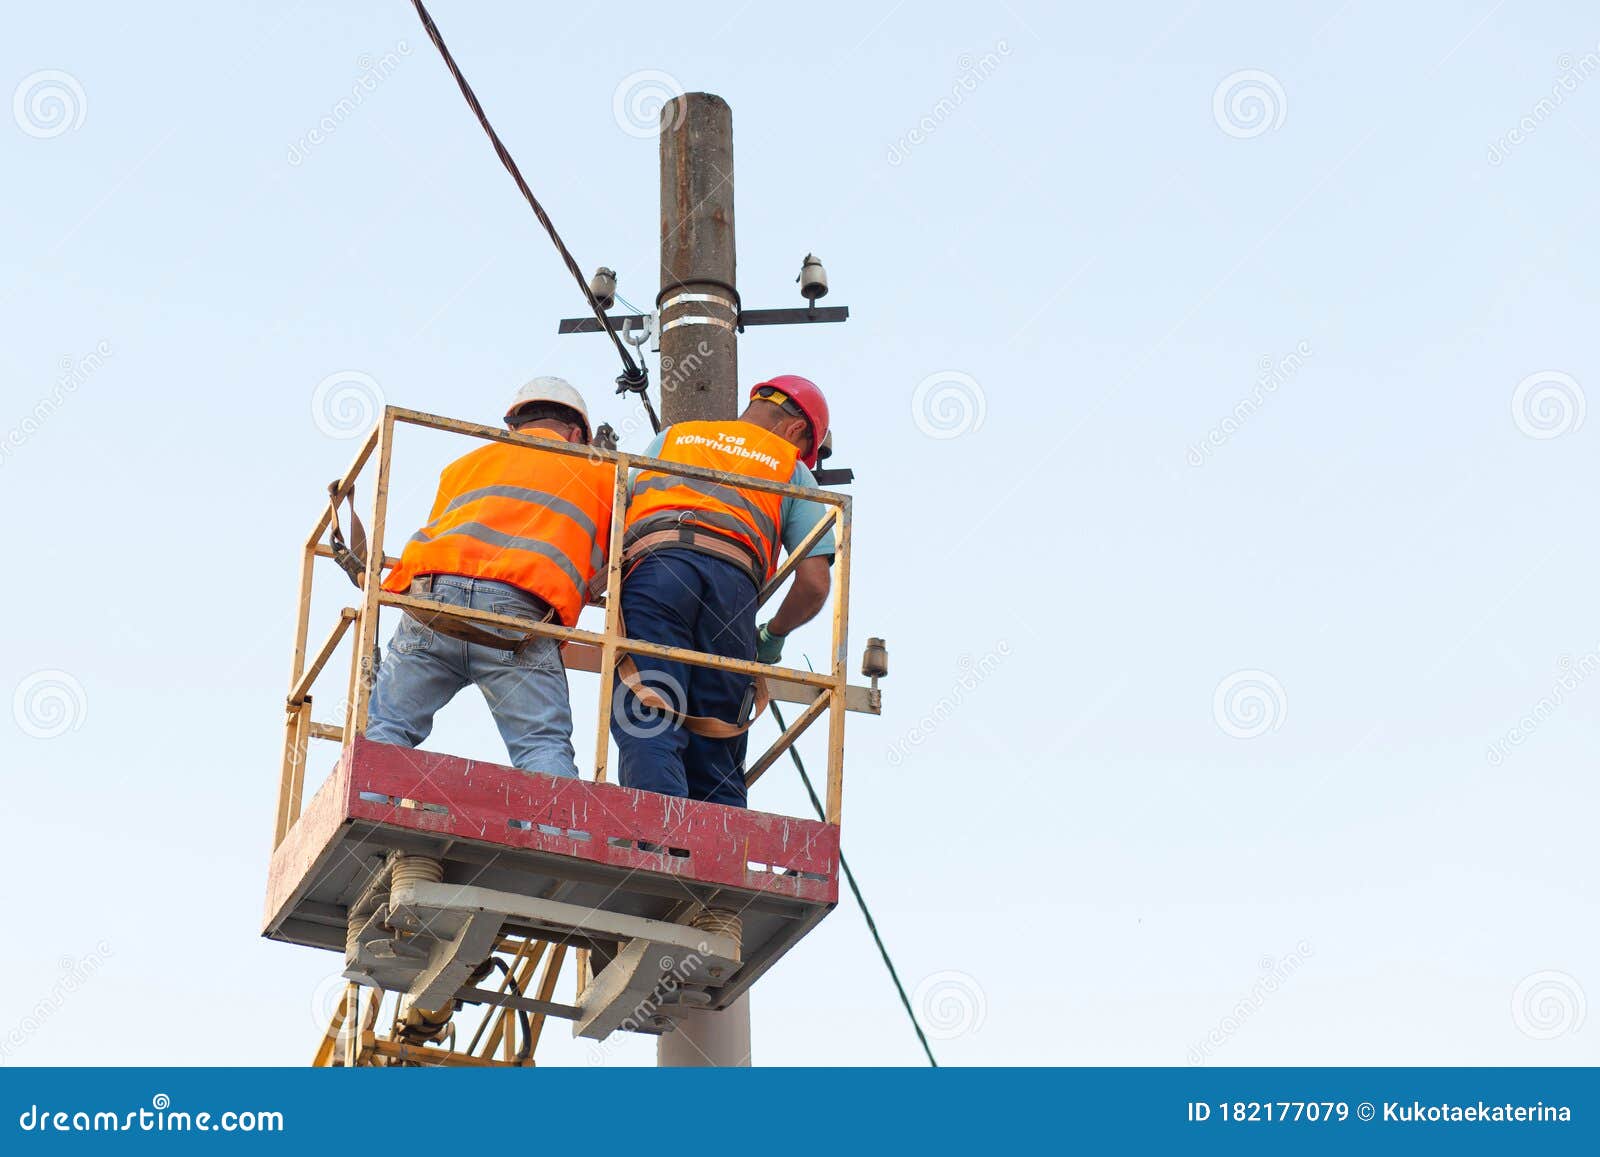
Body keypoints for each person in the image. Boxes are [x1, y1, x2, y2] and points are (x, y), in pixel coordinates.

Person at [365, 377, 613, 777]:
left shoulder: (465, 465)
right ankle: (549, 837)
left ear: (512, 428)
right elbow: (611, 565)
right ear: (576, 432)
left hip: (431, 604)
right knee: (541, 746)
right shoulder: (603, 475)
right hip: (517, 615)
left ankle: (366, 814)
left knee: (386, 726)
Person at [611, 375, 836, 807]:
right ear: (795, 431)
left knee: (649, 709)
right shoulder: (790, 465)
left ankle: (656, 841)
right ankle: (716, 861)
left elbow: (617, 512)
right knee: (717, 736)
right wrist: (772, 636)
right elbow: (813, 584)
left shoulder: (673, 438)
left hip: (654, 572)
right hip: (731, 593)